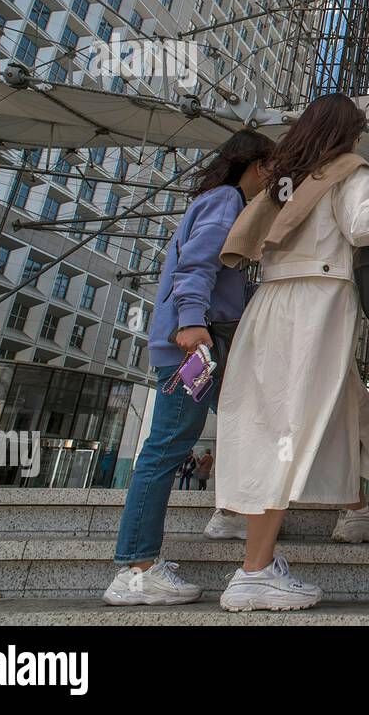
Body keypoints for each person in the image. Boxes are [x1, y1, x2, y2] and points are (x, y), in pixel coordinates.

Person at [213, 93, 369, 612]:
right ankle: (255, 569)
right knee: (287, 423)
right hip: (315, 305)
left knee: (336, 408)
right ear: (347, 133)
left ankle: (354, 507)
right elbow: (363, 228)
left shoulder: (287, 177)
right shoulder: (348, 171)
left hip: (269, 302)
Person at [104, 130, 275, 607]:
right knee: (167, 447)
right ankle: (137, 569)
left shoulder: (218, 200)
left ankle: (230, 511)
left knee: (240, 422)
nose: (274, 178)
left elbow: (216, 277)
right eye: (272, 168)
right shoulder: (225, 201)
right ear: (257, 165)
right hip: (193, 345)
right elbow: (195, 268)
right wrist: (192, 323)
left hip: (200, 340)